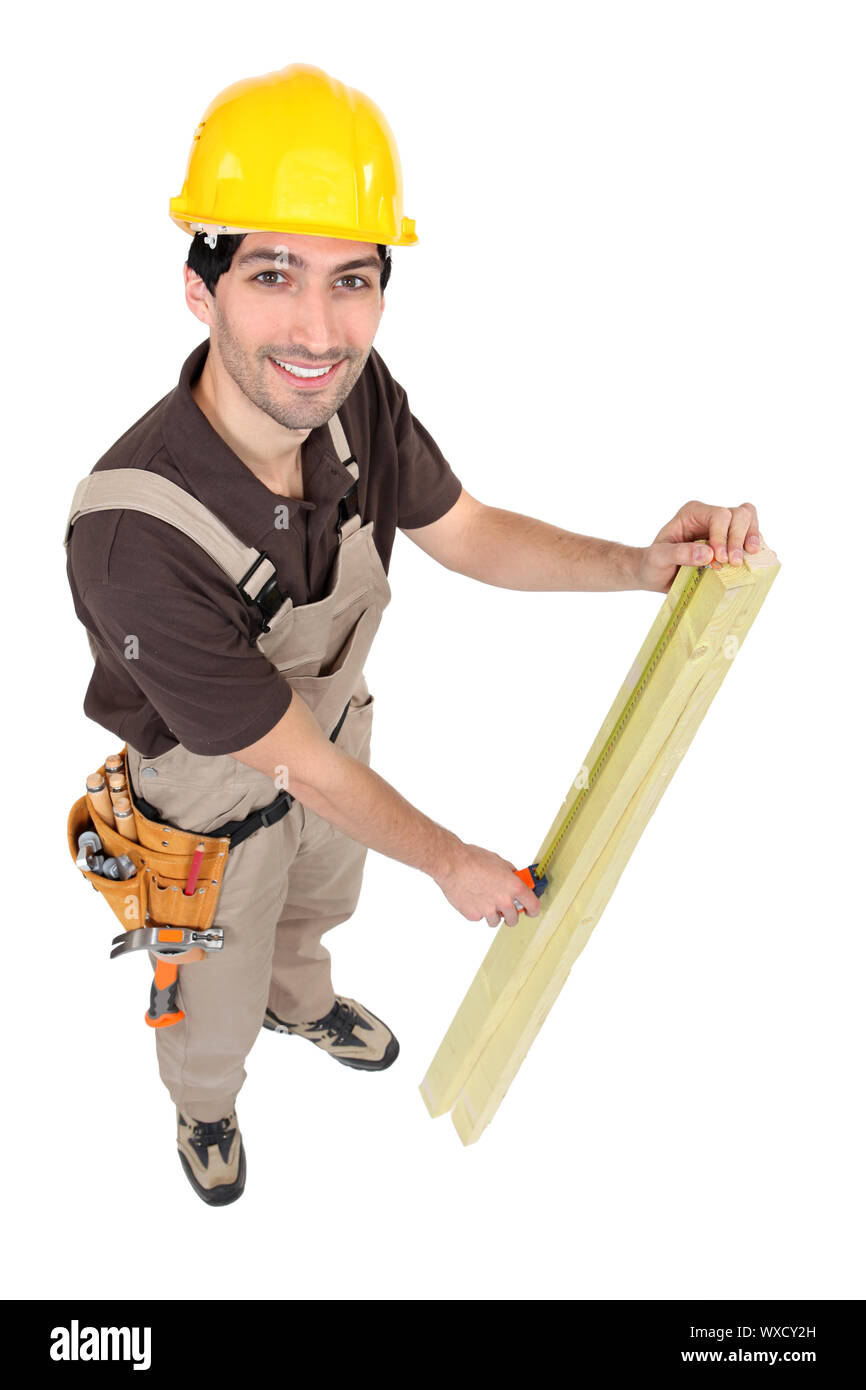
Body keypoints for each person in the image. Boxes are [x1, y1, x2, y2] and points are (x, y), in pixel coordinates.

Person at [65, 63, 763, 1206]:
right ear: (201, 288)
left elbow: (470, 529)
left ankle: (304, 1003)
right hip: (208, 792)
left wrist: (640, 567)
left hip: (339, 735)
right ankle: (205, 1104)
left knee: (317, 904)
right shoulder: (131, 531)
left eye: (353, 279)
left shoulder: (355, 396)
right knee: (213, 971)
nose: (316, 327)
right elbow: (282, 758)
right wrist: (448, 861)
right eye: (272, 273)